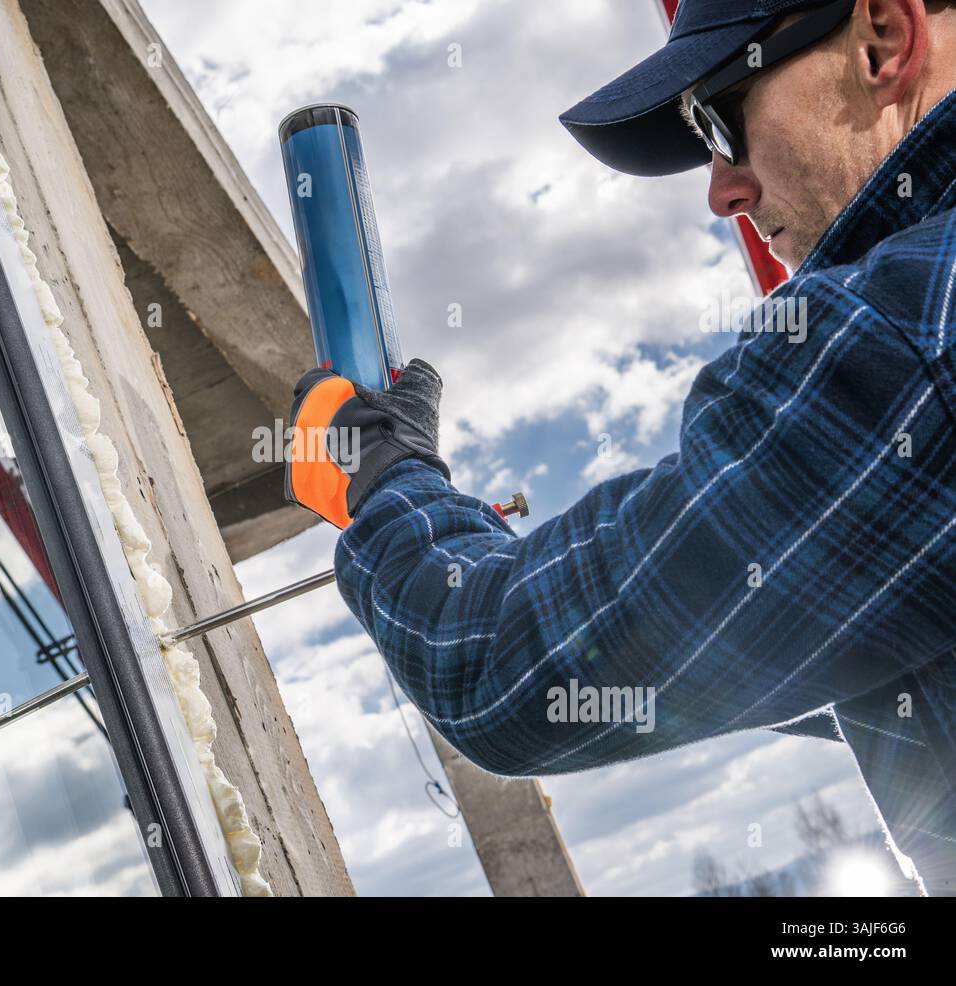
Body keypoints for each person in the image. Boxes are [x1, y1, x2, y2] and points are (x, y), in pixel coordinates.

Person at [284, 0, 956, 895]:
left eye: (722, 119)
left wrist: (382, 481)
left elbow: (497, 671)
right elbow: (830, 649)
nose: (723, 190)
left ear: (884, 39)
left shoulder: (910, 332)